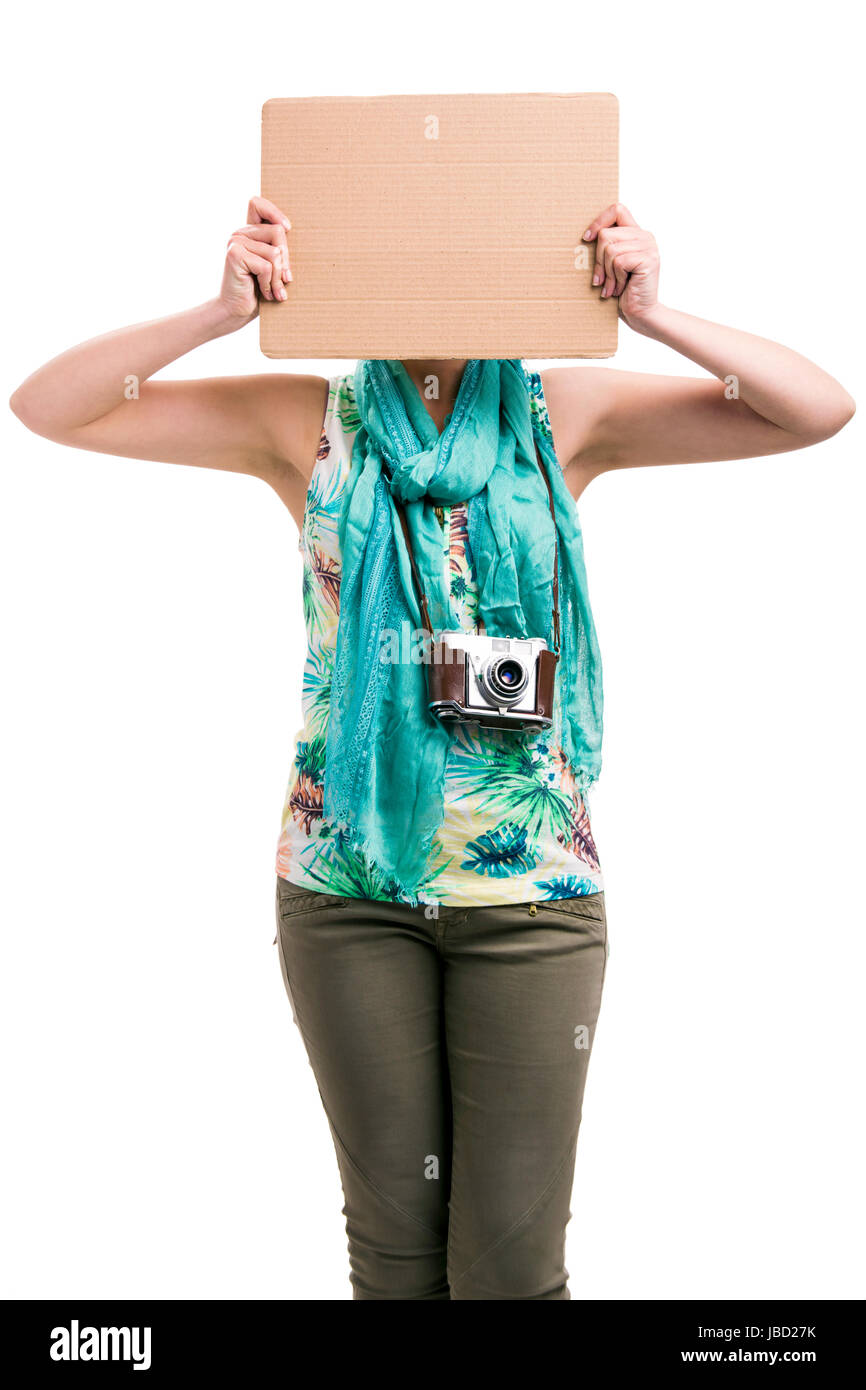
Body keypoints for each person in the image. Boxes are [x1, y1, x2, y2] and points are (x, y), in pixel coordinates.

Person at [9, 195, 855, 1301]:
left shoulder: (565, 413)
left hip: (531, 900)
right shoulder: (306, 420)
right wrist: (219, 311)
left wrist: (654, 314)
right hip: (347, 888)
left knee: (507, 1268)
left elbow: (814, 410)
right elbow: (49, 407)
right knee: (394, 1258)